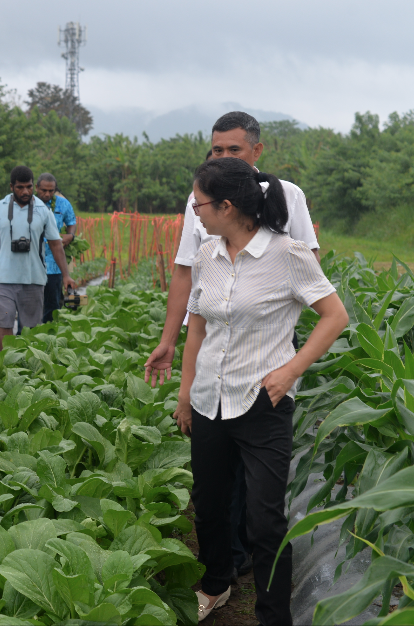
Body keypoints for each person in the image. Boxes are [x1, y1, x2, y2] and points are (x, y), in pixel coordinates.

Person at [144, 111, 320, 581]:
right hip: (214, 361)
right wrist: (171, 341)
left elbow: (309, 280)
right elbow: (189, 279)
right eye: (216, 150)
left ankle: (253, 567)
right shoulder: (203, 220)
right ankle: (227, 567)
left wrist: (283, 357)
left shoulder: (287, 204)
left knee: (259, 488)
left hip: (265, 349)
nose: (221, 157)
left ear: (256, 153)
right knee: (215, 485)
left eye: (232, 150)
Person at [175, 157, 347, 624]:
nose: (196, 212)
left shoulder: (288, 255)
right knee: (209, 506)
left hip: (262, 404)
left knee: (265, 521)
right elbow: (198, 329)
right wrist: (185, 392)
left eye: (200, 205)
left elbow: (335, 316)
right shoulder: (208, 258)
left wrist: (291, 370)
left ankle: (273, 615)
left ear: (227, 206)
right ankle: (216, 584)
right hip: (210, 399)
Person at [0, 165, 73, 350]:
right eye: (20, 187)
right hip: (2, 279)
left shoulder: (43, 211)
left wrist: (66, 275)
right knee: (3, 324)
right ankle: (7, 364)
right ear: (11, 186)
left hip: (33, 279)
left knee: (30, 329)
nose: (25, 191)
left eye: (29, 186)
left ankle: (25, 372)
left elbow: (56, 245)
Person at [35, 174, 77, 323]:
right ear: (36, 188)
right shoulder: (28, 204)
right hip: (32, 263)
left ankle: (50, 335)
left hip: (54, 263)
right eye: (44, 190)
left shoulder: (63, 204)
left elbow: (71, 221)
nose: (47, 194)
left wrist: (70, 235)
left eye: (51, 191)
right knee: (32, 305)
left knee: (52, 305)